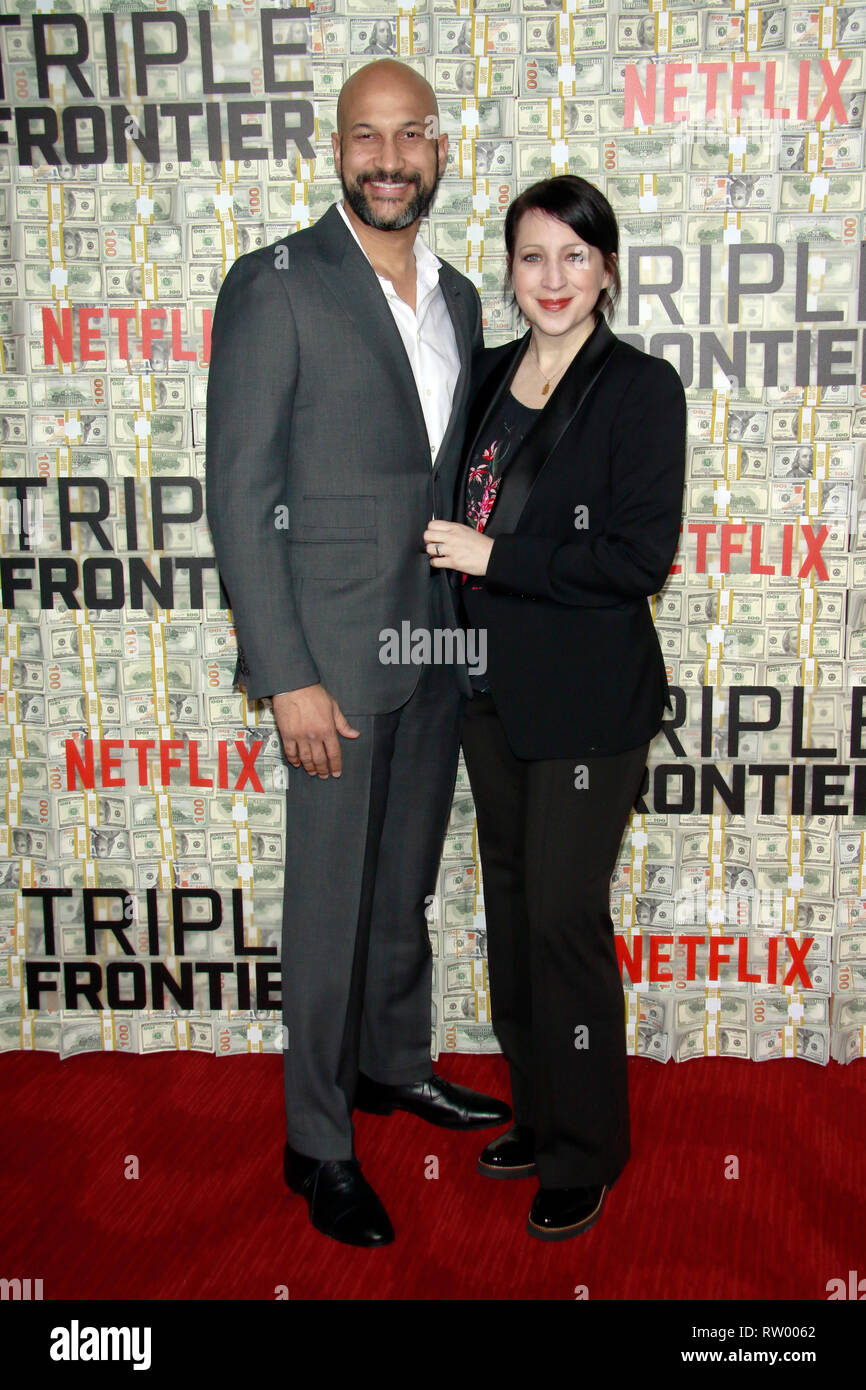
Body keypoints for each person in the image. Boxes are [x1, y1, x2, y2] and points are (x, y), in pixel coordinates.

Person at [205, 59, 510, 1250]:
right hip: (327, 657)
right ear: (335, 150)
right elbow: (240, 495)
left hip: (430, 641)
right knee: (330, 907)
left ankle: (392, 1065)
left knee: (403, 889)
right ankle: (316, 1141)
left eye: (408, 136)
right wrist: (284, 673)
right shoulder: (273, 283)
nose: (388, 159)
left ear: (438, 146)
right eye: (363, 138)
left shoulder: (463, 297)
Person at [424, 175, 687, 1240]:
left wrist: (500, 556)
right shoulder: (484, 376)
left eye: (574, 257)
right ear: (510, 269)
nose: (552, 278)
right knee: (512, 913)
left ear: (607, 270)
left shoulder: (638, 388)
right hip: (488, 694)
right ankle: (539, 1112)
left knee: (563, 919)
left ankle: (586, 1146)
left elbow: (634, 557)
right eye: (533, 257)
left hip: (588, 708)